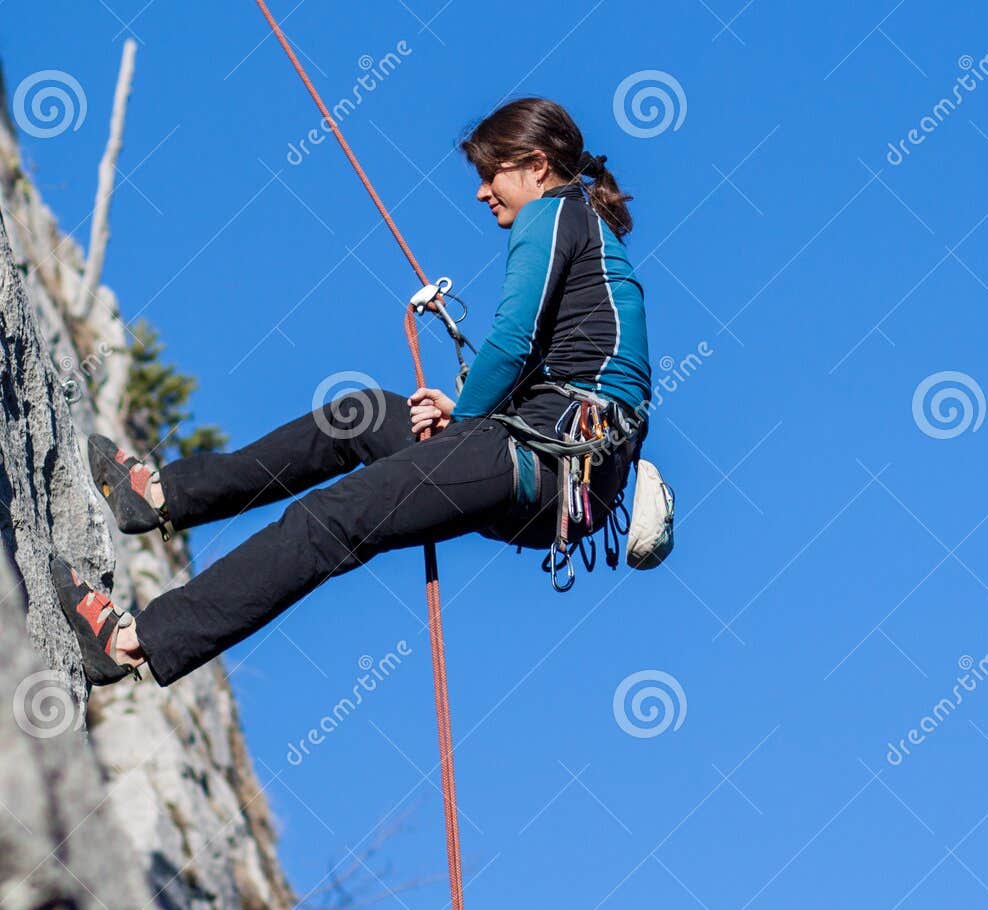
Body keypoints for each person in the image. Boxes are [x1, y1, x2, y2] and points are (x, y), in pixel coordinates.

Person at [54, 97, 650, 687]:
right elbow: (569, 363)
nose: (481, 191)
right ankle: (160, 495)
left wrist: (466, 421)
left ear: (537, 164)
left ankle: (133, 642)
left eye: (492, 172)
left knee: (329, 521)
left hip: (548, 459)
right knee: (357, 415)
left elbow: (512, 341)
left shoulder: (552, 216)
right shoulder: (584, 232)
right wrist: (464, 415)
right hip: (553, 466)